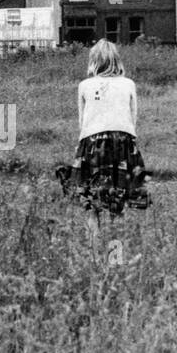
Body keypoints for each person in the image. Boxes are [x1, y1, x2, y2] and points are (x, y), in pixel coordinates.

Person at [56, 39, 150, 247]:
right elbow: (133, 119)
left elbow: (83, 122)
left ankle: (93, 260)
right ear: (117, 60)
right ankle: (114, 259)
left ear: (93, 61)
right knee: (117, 207)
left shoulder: (84, 86)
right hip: (123, 145)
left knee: (91, 206)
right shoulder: (129, 84)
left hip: (92, 145)